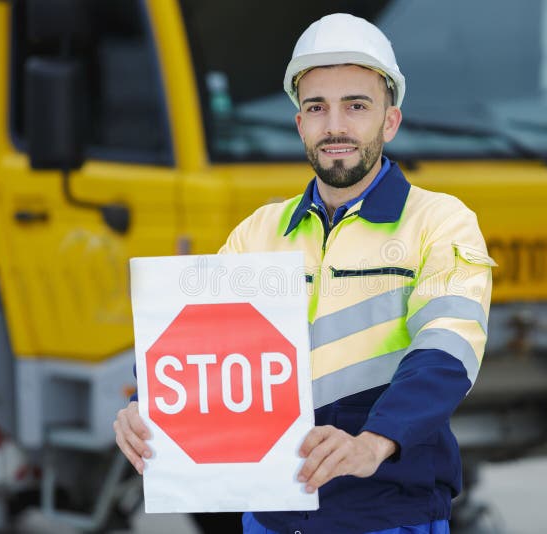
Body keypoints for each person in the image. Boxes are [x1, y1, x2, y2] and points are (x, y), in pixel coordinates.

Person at [114, 13, 493, 534]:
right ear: (300, 125)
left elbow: (447, 351)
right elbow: (193, 346)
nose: (335, 126)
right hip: (271, 516)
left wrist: (373, 444)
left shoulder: (440, 223)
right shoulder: (259, 231)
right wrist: (144, 407)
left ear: (390, 121)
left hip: (388, 514)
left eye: (356, 106)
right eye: (317, 108)